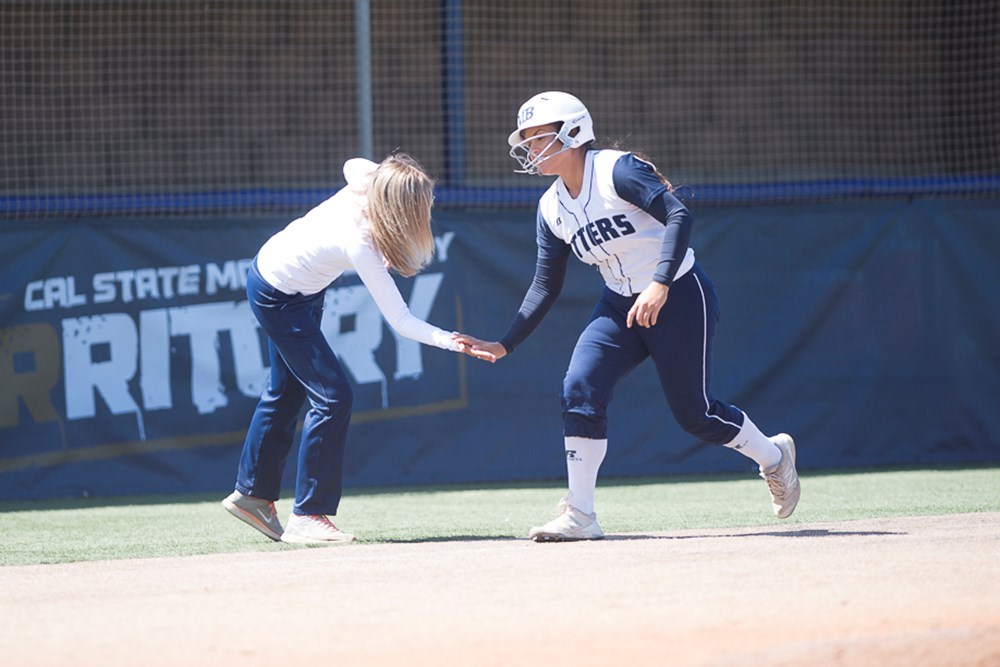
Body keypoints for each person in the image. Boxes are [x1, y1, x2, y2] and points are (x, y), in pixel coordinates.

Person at [455, 91, 800, 541]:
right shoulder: (550, 208)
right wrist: (505, 343)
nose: (531, 148)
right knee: (579, 387)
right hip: (620, 305)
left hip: (678, 294)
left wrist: (660, 283)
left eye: (540, 137)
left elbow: (678, 215)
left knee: (694, 415)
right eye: (528, 140)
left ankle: (773, 457)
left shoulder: (616, 169)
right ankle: (581, 514)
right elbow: (545, 284)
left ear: (573, 132)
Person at [223, 152, 494, 544]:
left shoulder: (366, 179)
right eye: (420, 205)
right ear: (400, 208)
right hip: (277, 295)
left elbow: (352, 162)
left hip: (296, 287)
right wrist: (452, 341)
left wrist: (374, 179)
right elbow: (401, 321)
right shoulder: (359, 241)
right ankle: (308, 516)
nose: (426, 211)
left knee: (286, 390)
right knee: (333, 397)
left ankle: (251, 495)